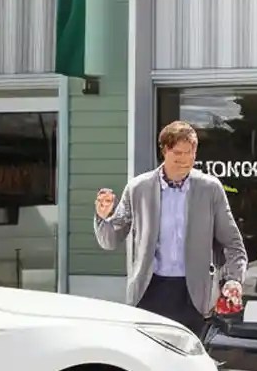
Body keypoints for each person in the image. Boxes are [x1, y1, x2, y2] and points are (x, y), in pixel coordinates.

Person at [93, 120, 247, 338]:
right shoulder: (138, 188)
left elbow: (233, 244)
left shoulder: (210, 189)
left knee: (189, 364)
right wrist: (103, 217)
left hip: (193, 294)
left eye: (190, 153)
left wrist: (233, 279)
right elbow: (109, 241)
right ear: (164, 151)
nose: (185, 160)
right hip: (149, 292)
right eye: (178, 153)